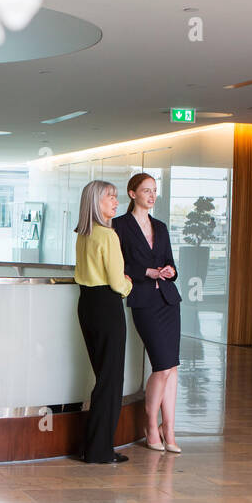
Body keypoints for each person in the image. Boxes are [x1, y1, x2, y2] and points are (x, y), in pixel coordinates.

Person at [112, 172, 182, 453]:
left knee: (172, 367)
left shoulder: (161, 227)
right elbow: (118, 267)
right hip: (143, 301)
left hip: (168, 301)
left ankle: (170, 429)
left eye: (155, 191)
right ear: (132, 194)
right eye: (146, 191)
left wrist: (169, 271)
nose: (152, 196)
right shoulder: (118, 226)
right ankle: (151, 425)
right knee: (162, 366)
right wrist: (146, 272)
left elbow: (171, 264)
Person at [73, 180, 134, 464]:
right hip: (107, 306)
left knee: (103, 378)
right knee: (111, 380)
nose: (116, 201)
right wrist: (128, 285)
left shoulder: (83, 235)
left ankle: (92, 447)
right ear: (96, 202)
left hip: (86, 304)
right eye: (110, 197)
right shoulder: (108, 236)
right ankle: (99, 450)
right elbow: (116, 281)